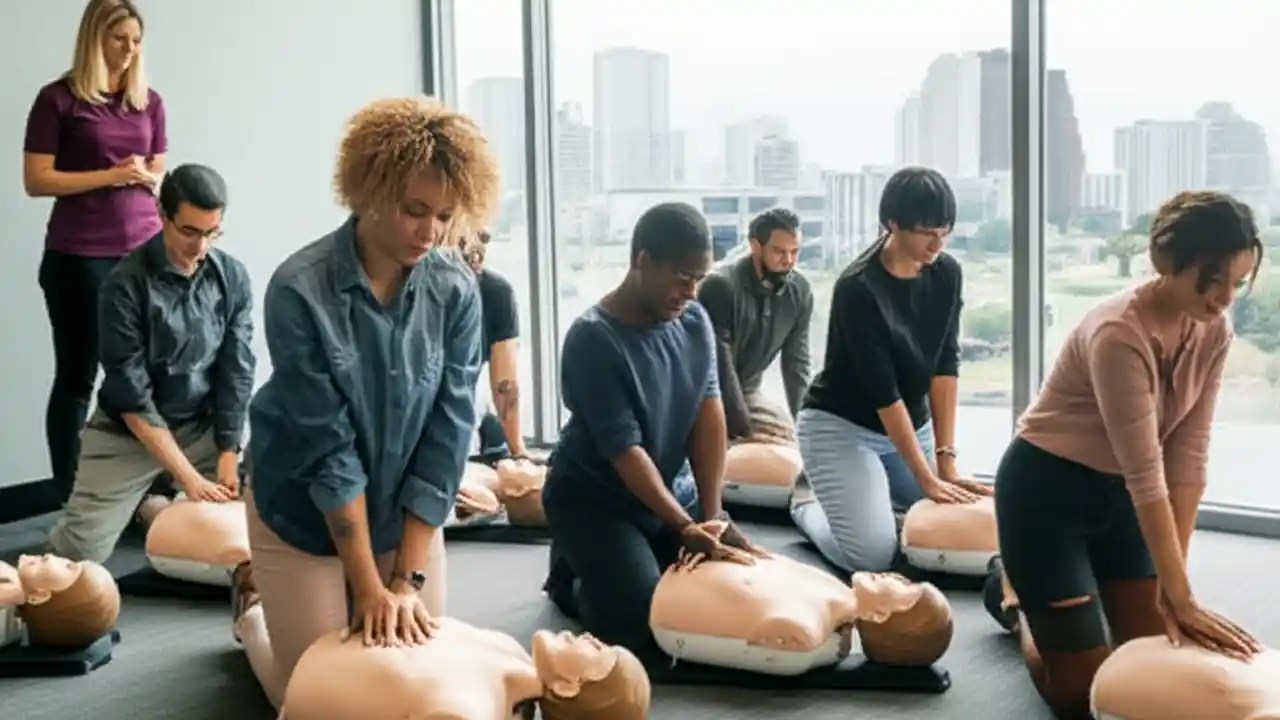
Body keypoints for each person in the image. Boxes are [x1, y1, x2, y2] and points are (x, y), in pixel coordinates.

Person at [236, 96, 499, 710]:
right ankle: (252, 611)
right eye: (414, 211)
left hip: (400, 504)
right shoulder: (298, 288)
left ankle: (331, 597)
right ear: (368, 191)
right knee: (315, 697)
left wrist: (403, 581)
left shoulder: (456, 289)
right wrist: (366, 585)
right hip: (300, 505)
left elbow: (450, 427)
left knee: (412, 678)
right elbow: (327, 448)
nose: (430, 233)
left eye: (444, 216)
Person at [994, 190, 1265, 720]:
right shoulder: (1119, 332)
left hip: (1122, 503)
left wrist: (1175, 588)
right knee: (1083, 694)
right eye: (1212, 279)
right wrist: (1181, 597)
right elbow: (1147, 473)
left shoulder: (1215, 330)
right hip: (1047, 496)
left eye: (1238, 282)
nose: (1224, 298)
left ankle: (1056, 590)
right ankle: (1013, 596)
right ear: (1167, 261)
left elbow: (1188, 455)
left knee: (1148, 666)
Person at [540, 202, 767, 667]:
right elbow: (625, 453)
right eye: (682, 277)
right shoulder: (592, 338)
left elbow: (709, 415)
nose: (690, 291)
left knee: (727, 583)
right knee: (645, 622)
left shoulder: (694, 319)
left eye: (699, 279)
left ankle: (614, 558)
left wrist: (711, 515)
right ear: (642, 261)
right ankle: (571, 574)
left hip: (667, 493)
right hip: (596, 500)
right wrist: (683, 528)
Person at [45, 165, 252, 565]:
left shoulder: (231, 277)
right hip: (130, 434)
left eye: (212, 233)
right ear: (162, 215)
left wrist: (228, 450)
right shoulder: (124, 285)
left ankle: (157, 507)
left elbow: (236, 368)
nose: (200, 246)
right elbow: (131, 394)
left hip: (202, 428)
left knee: (253, 541)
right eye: (190, 231)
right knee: (75, 558)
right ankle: (158, 497)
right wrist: (191, 480)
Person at [792, 166, 989, 575]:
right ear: (892, 224)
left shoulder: (946, 272)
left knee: (951, 506)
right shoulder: (858, 288)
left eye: (945, 230)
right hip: (842, 427)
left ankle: (872, 498)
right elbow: (884, 392)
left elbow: (945, 364)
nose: (938, 243)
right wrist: (926, 477)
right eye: (926, 232)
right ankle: (807, 503)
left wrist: (945, 462)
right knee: (872, 557)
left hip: (909, 426)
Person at [22, 0, 167, 507]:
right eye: (118, 39)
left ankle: (145, 495)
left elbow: (157, 166)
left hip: (146, 254)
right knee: (78, 377)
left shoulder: (148, 101)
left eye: (135, 40)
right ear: (94, 39)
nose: (128, 50)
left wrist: (150, 178)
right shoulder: (57, 100)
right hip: (79, 256)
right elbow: (36, 180)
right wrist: (111, 175)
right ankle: (70, 497)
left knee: (150, 376)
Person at [697, 208, 812, 442]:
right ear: (755, 245)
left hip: (749, 393)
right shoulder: (720, 286)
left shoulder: (799, 291)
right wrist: (743, 429)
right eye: (779, 251)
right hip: (703, 394)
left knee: (792, 443)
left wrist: (806, 431)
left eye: (795, 252)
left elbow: (797, 365)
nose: (788, 260)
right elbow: (719, 362)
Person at [462, 229, 529, 459]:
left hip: (466, 439)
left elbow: (505, 386)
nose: (484, 238)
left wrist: (518, 453)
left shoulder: (494, 292)